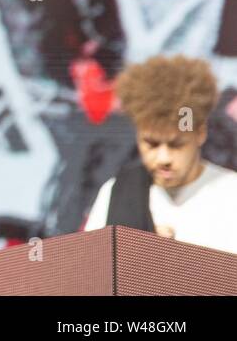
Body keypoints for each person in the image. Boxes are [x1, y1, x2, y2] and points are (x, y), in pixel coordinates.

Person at [83, 54, 237, 254]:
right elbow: (92, 276)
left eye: (176, 145)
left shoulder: (231, 194)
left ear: (200, 133)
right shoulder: (116, 192)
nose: (163, 158)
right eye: (152, 145)